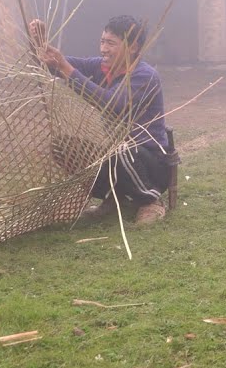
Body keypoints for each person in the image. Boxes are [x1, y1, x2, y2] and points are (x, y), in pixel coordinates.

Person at [30, 15, 172, 226]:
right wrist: (40, 44)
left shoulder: (144, 75)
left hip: (150, 164)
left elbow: (112, 104)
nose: (104, 49)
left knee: (121, 150)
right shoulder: (101, 67)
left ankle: (150, 200)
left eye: (111, 43)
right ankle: (116, 199)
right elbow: (55, 65)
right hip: (117, 156)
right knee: (64, 147)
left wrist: (67, 69)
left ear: (133, 48)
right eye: (102, 41)